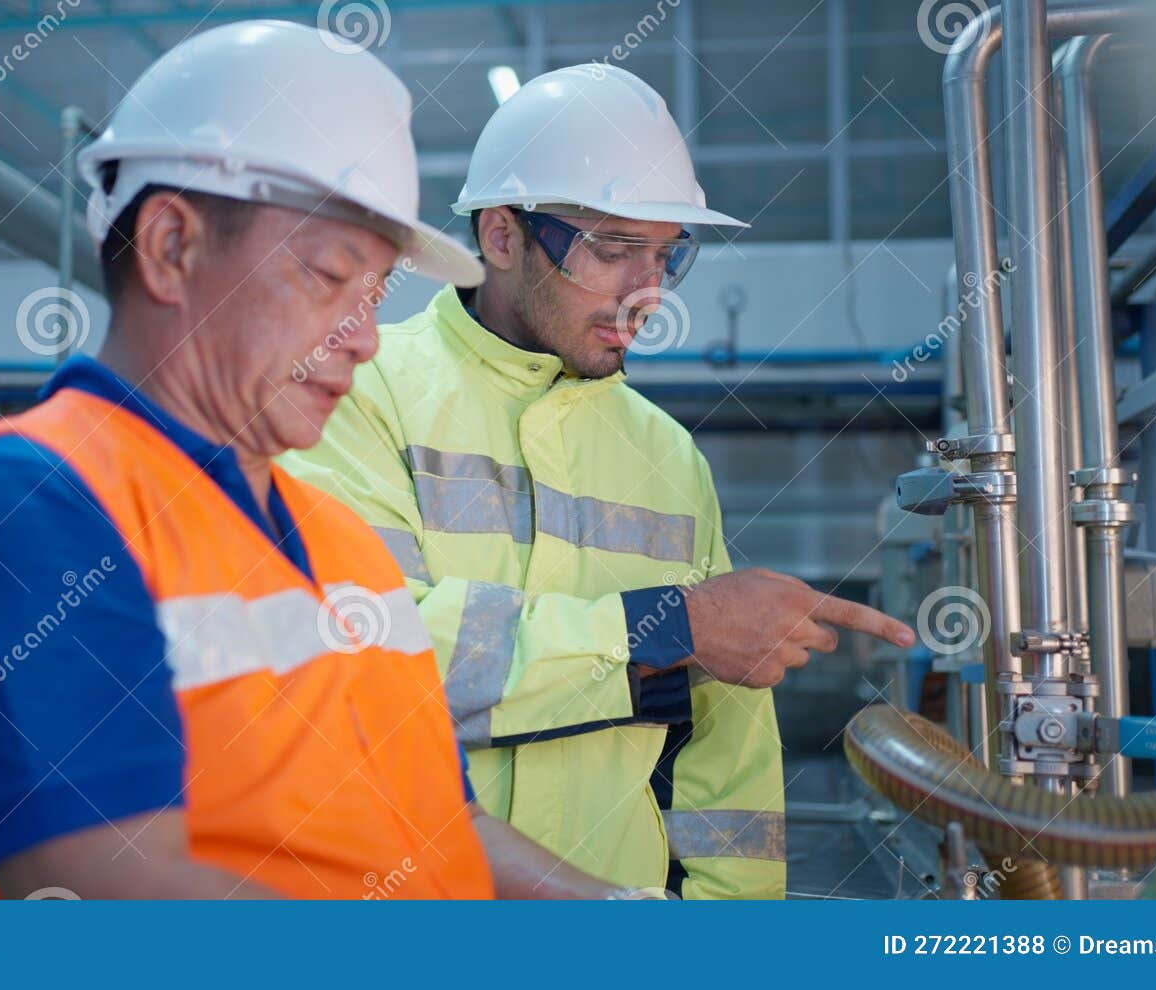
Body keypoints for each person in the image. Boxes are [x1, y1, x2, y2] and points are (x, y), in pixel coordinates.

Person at [0, 21, 638, 900]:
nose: (364, 341)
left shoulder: (342, 543)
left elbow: (446, 829)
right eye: (328, 278)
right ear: (171, 246)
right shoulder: (29, 501)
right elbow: (112, 890)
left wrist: (622, 917)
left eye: (377, 294)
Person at [284, 63, 917, 899]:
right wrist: (667, 629)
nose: (646, 294)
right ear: (502, 236)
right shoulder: (358, 393)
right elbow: (365, 658)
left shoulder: (666, 454)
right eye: (614, 250)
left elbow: (728, 760)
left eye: (666, 256)